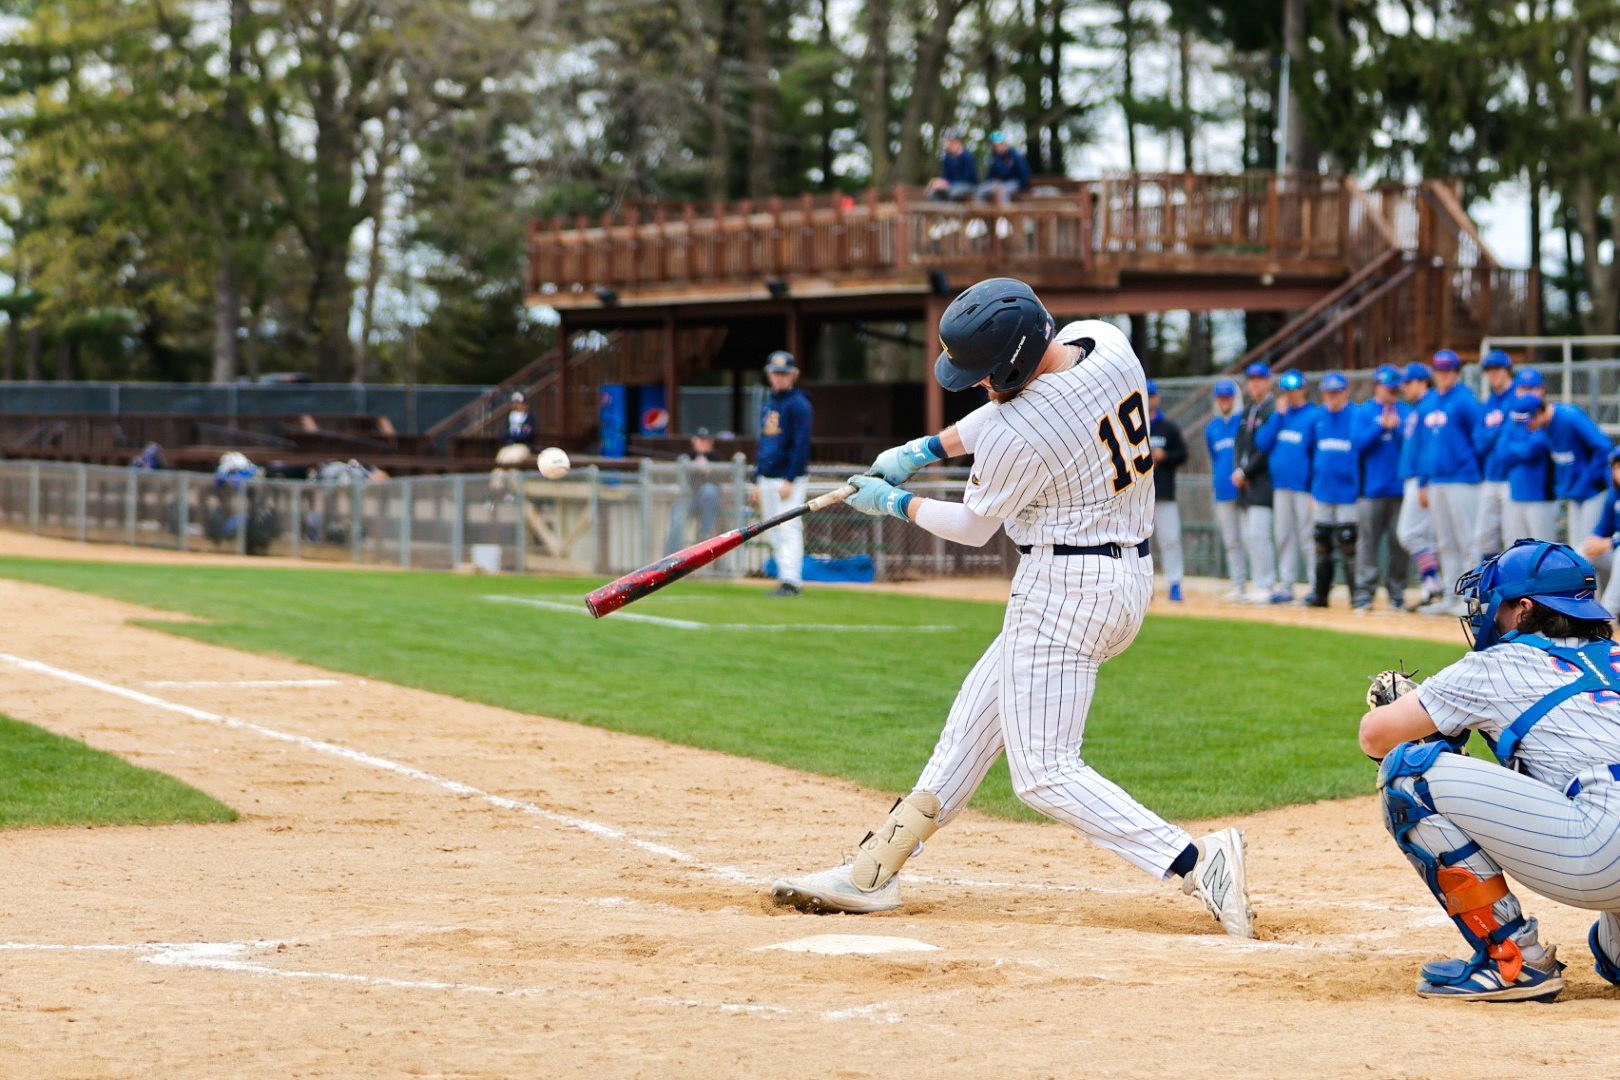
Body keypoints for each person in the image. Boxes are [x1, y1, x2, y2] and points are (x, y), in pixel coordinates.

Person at [769, 277, 1254, 938]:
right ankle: (873, 871)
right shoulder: (1105, 342)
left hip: (1063, 590)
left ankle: (1196, 862)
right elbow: (1000, 416)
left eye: (984, 373)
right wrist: (925, 450)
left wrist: (894, 501)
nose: (975, 384)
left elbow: (973, 526)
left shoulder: (1022, 431)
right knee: (969, 728)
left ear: (1013, 366)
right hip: (1120, 577)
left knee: (1044, 772)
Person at [1359, 538, 1620, 1003]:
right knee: (1611, 948)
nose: (1488, 615)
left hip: (1603, 849)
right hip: (1604, 828)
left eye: (1497, 604)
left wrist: (1434, 739)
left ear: (1524, 609)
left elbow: (1375, 736)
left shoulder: (1500, 663)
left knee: (1409, 774)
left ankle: (1514, 962)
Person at [1417, 349, 1482, 616]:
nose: (1443, 375)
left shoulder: (1465, 399)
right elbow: (1424, 446)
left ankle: (1470, 599)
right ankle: (1449, 595)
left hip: (1463, 480)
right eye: (1439, 370)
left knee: (1467, 540)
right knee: (1444, 541)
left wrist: (1473, 469)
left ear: (1456, 372)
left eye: (1448, 370)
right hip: (1436, 480)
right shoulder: (1430, 401)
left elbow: (1479, 439)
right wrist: (1423, 482)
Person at [1257, 369, 1319, 603]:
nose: (1290, 394)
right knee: (1284, 536)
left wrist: (1313, 487)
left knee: (1308, 537)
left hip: (1303, 487)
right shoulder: (1280, 416)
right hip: (1281, 486)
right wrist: (1277, 416)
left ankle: (1315, 585)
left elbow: (1316, 452)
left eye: (1294, 390)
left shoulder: (1312, 415)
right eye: (1286, 390)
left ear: (1303, 390)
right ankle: (1286, 585)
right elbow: (1262, 442)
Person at [1351, 365, 1410, 612]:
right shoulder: (1365, 411)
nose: (1391, 392)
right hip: (1372, 489)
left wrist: (1395, 428)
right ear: (1377, 387)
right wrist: (1380, 427)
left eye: (1395, 388)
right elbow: (1358, 444)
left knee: (1399, 544)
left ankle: (1396, 593)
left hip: (1400, 489)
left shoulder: (1405, 411)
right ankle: (1364, 593)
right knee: (1368, 544)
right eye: (1388, 388)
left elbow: (1410, 445)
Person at [754, 350, 813, 597]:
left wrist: (790, 478)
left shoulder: (798, 404)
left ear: (792, 375)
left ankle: (792, 580)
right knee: (773, 529)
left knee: (789, 527)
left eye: (783, 373)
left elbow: (801, 445)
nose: (779, 378)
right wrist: (757, 478)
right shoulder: (769, 403)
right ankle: (783, 576)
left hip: (788, 477)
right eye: (775, 373)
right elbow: (764, 443)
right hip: (768, 475)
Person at [1306, 372, 1358, 607]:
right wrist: (1310, 488)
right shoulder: (1318, 417)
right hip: (1322, 489)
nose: (1332, 397)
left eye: (1336, 392)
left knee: (1348, 542)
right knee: (1322, 541)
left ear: (1345, 392)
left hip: (1348, 491)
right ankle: (1321, 595)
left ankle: (1356, 596)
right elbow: (1309, 453)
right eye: (1328, 393)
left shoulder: (1355, 415)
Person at [1397, 362, 1445, 608]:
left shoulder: (1430, 405)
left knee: (1409, 534)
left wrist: (1424, 481)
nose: (1404, 387)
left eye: (1408, 382)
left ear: (1422, 382)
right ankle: (1431, 588)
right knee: (1424, 536)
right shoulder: (1417, 407)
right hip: (1415, 478)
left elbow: (1431, 449)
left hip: (1422, 479)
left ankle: (1433, 584)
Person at [1231, 362, 1279, 603]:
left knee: (1259, 535)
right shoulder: (1249, 409)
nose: (1255, 384)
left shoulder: (1272, 408)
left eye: (1260, 379)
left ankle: (1265, 584)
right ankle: (1257, 582)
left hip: (1262, 480)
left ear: (1268, 381)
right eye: (1252, 379)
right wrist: (1238, 470)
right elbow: (1240, 444)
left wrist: (1245, 471)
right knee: (1250, 536)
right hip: (1246, 480)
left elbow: (1264, 449)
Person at [1205, 379, 1249, 601]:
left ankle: (1260, 583)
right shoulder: (1212, 427)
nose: (1224, 401)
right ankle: (1238, 585)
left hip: (1243, 490)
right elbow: (1215, 457)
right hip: (1222, 490)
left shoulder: (1242, 422)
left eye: (1228, 397)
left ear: (1235, 398)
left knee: (1249, 539)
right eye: (1221, 397)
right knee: (1231, 541)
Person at [1473, 350, 1517, 561]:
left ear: (1507, 370)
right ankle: (1489, 578)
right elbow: (1479, 441)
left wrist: (1493, 433)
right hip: (1490, 476)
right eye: (1489, 370)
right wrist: (1496, 433)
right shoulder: (1490, 402)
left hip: (1511, 478)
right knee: (1484, 536)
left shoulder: (1516, 396)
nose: (1493, 374)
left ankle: (1512, 580)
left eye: (1497, 369)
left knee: (1512, 537)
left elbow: (1511, 435)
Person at [1147, 379, 1188, 602]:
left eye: (1152, 395)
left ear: (1158, 398)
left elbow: (1182, 454)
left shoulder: (1168, 427)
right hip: (1141, 497)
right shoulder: (1134, 424)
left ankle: (1174, 584)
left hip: (1164, 491)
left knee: (1170, 539)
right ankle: (1146, 587)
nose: (1149, 400)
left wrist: (1165, 456)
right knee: (1143, 544)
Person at [1499, 391, 1558, 542]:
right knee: (1516, 546)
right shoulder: (1514, 424)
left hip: (1540, 498)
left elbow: (1531, 448)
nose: (1523, 425)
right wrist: (1518, 448)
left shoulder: (1544, 432)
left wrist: (1514, 449)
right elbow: (1501, 453)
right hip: (1516, 495)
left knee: (1542, 546)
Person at [665, 428, 724, 554]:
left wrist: (708, 471)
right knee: (677, 518)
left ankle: (705, 536)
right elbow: (681, 482)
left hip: (710, 504)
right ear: (694, 441)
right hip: (689, 499)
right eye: (701, 440)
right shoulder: (686, 457)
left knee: (709, 490)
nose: (704, 443)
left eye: (707, 441)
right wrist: (693, 468)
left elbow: (721, 481)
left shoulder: (716, 458)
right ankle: (672, 556)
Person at [1582, 448, 1620, 617]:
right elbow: (1602, 528)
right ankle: (1588, 610)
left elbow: (1610, 542)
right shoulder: (1614, 495)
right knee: (1583, 552)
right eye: (1617, 468)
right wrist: (1593, 542)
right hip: (1614, 551)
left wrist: (1610, 543)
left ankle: (1608, 615)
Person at [975, 131, 1031, 204]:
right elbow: (990, 175)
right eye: (995, 145)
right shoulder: (994, 158)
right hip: (998, 183)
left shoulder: (1015, 155)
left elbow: (1024, 173)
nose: (997, 147)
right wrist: (994, 182)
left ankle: (1005, 211)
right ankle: (981, 211)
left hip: (1015, 183)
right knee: (979, 190)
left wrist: (1022, 187)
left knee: (1001, 190)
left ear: (1005, 143)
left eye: (1000, 144)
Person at [925, 130, 978, 202]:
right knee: (932, 192)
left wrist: (948, 183)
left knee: (953, 192)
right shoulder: (947, 158)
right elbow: (945, 176)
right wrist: (939, 183)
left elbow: (969, 178)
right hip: (951, 185)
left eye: (952, 142)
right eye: (948, 142)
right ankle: (939, 208)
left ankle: (952, 208)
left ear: (959, 142)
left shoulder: (967, 157)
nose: (949, 144)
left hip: (968, 186)